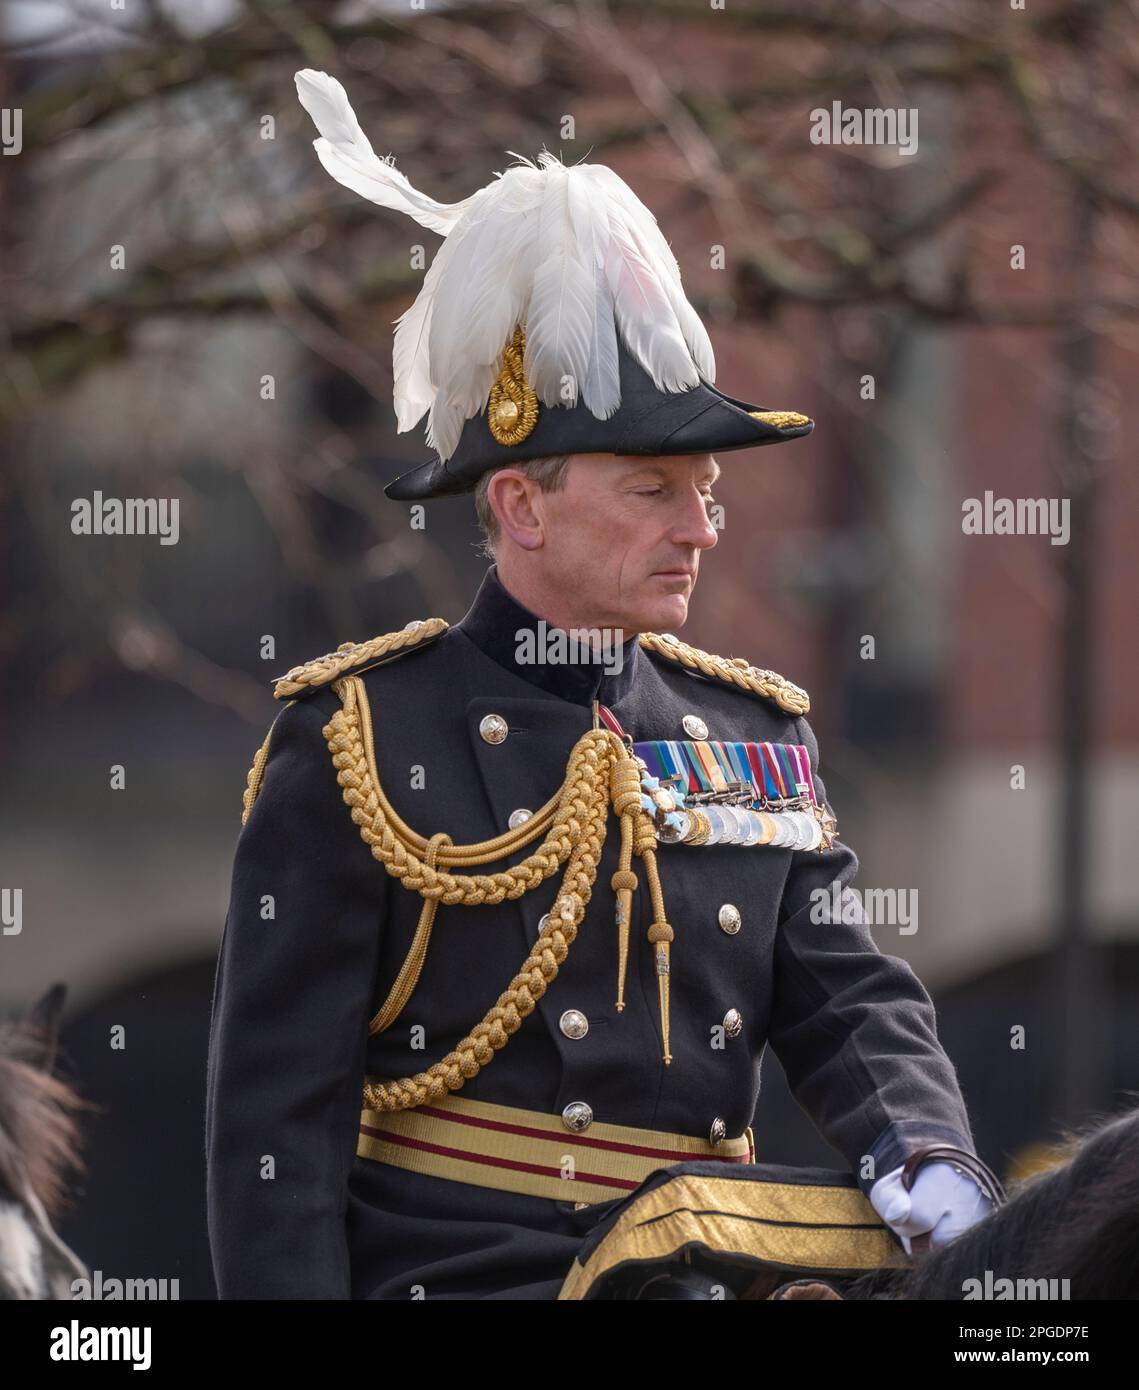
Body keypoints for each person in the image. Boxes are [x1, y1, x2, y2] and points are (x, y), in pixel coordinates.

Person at [203, 70, 1001, 1300]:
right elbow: (276, 1133)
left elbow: (853, 1008)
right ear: (520, 504)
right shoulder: (360, 735)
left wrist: (932, 1170)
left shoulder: (750, 736)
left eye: (705, 494)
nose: (701, 528)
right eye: (651, 490)